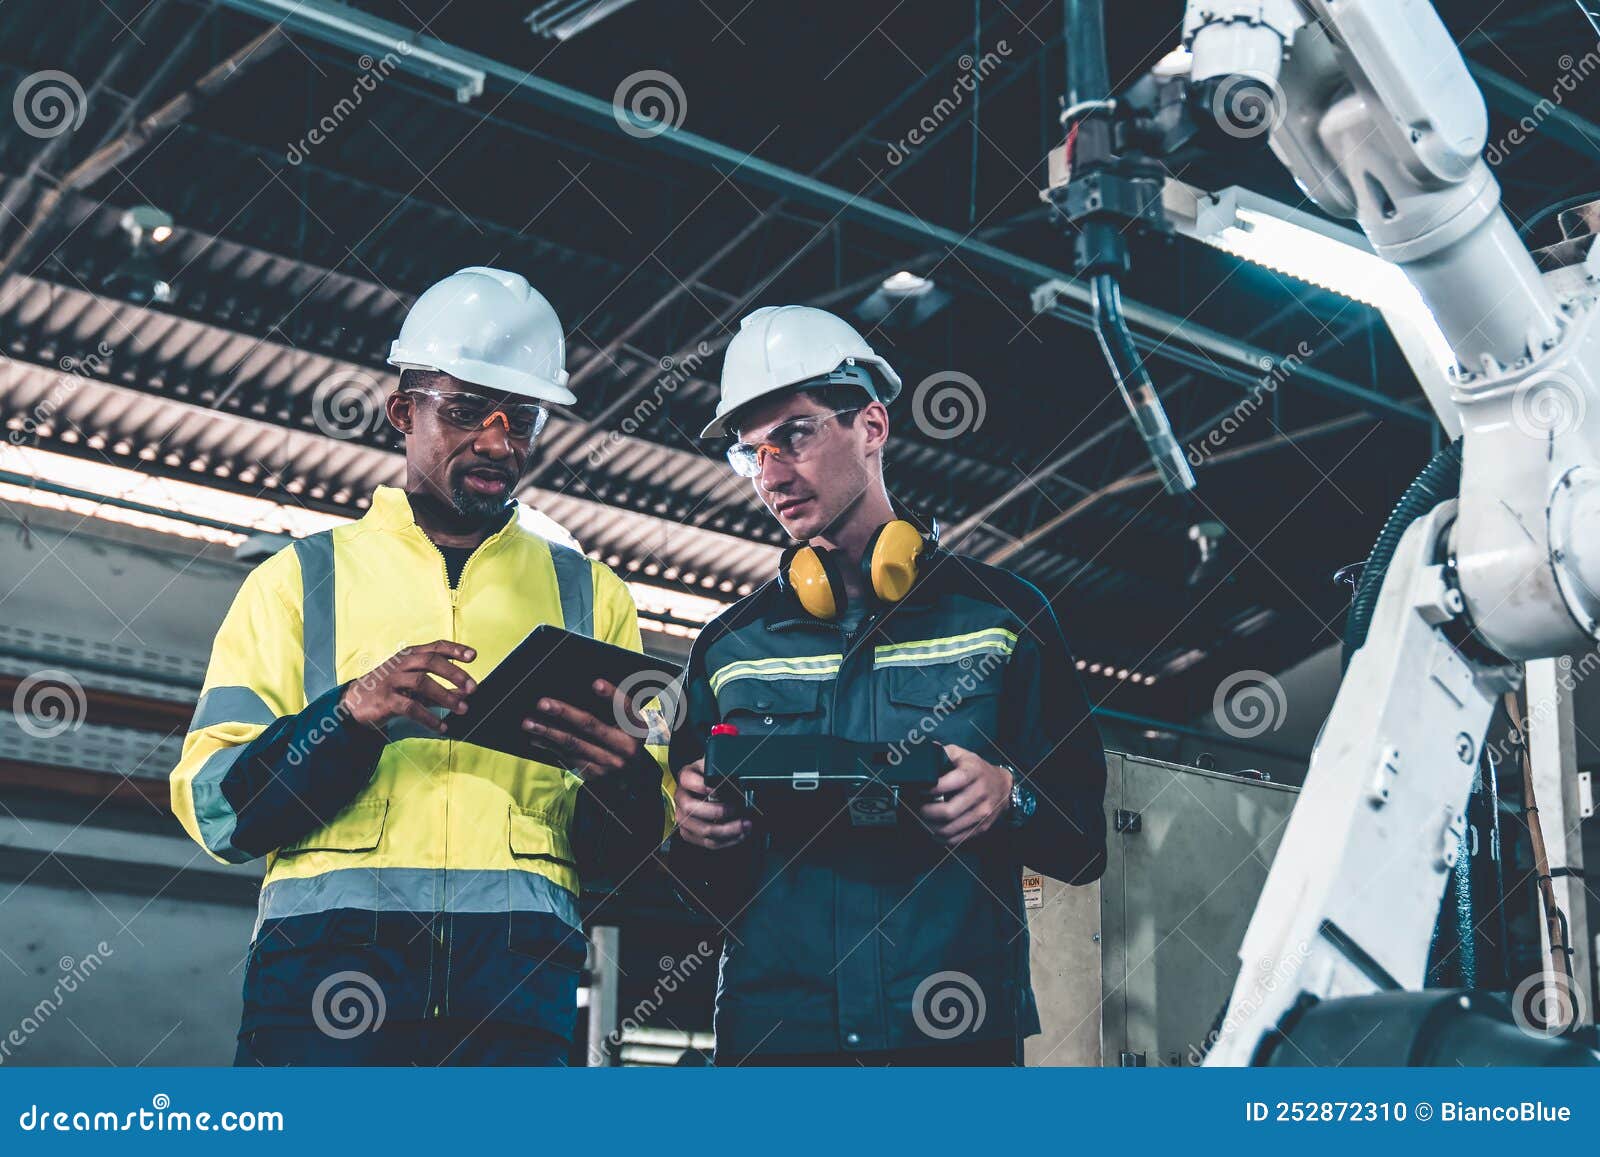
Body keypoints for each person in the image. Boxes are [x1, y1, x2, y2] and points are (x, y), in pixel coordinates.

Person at [169, 267, 674, 1066]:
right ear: (404, 410)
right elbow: (219, 811)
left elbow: (630, 859)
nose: (499, 441)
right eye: (468, 410)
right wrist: (350, 717)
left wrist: (625, 782)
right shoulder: (299, 583)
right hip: (319, 1012)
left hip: (512, 1018)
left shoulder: (591, 596)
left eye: (523, 418)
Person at [668, 305, 1107, 1066]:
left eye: (795, 435)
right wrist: (693, 832)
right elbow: (690, 887)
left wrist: (1012, 795)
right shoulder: (728, 648)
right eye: (751, 453)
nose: (771, 475)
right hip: (778, 1050)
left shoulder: (1005, 618)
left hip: (949, 1044)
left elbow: (1085, 842)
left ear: (871, 426)